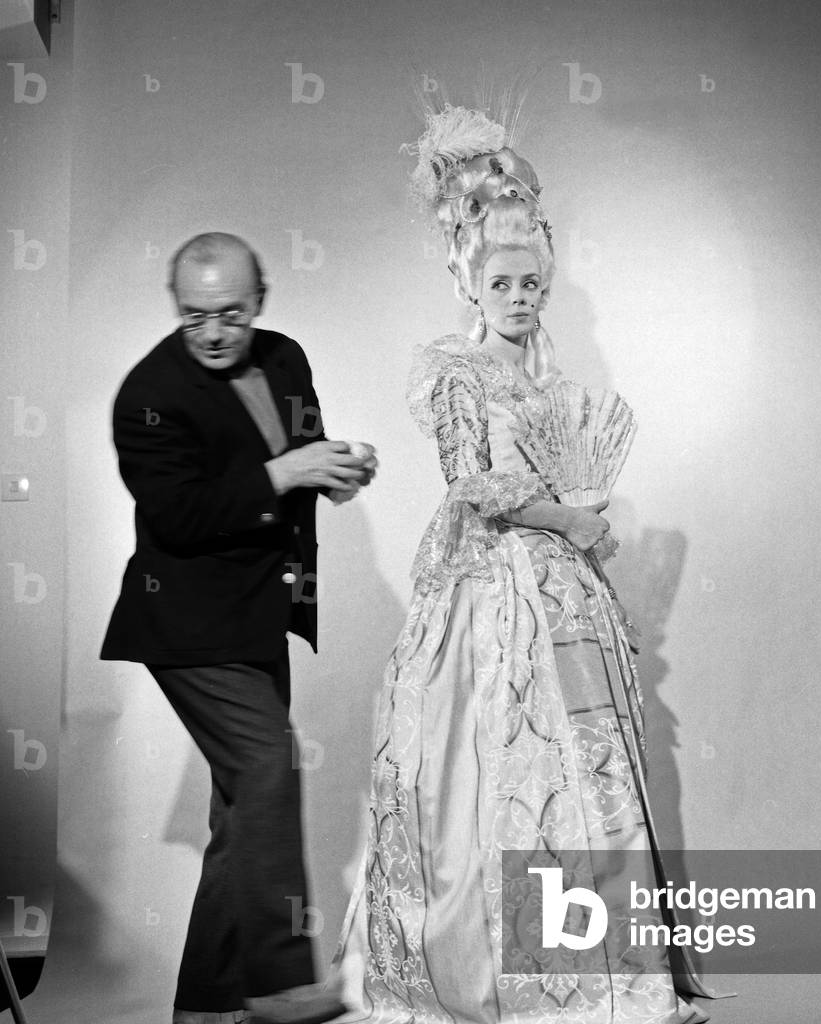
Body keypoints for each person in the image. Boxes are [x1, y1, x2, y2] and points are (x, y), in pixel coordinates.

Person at [327, 105, 713, 1024]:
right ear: (470, 281)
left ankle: (601, 975)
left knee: (583, 772)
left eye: (532, 281)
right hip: (485, 593)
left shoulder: (549, 382)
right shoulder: (454, 373)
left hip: (558, 595)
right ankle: (489, 976)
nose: (520, 296)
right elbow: (470, 486)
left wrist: (575, 529)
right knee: (480, 772)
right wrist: (569, 520)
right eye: (502, 281)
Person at [100, 232, 377, 1024]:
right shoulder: (148, 394)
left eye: (229, 314)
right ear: (175, 305)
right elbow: (179, 517)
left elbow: (300, 453)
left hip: (257, 615)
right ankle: (283, 983)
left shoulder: (285, 358)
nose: (213, 332)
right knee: (268, 766)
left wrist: (337, 471)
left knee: (239, 814)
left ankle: (206, 1005)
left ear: (259, 301)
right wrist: (286, 473)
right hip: (185, 624)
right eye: (194, 317)